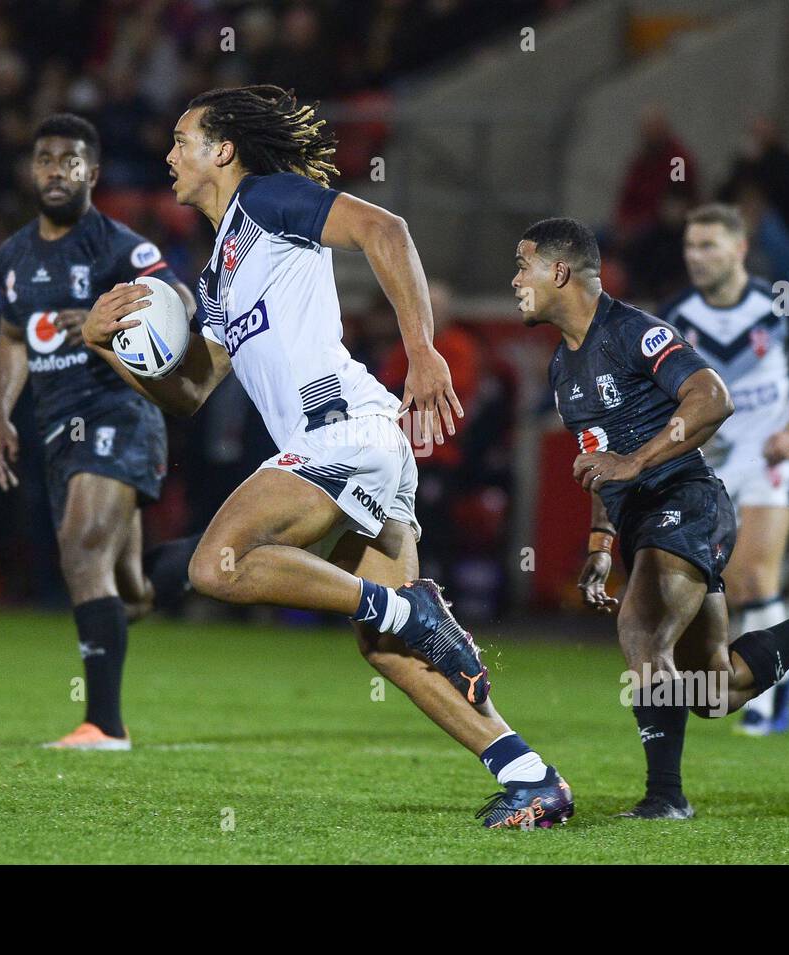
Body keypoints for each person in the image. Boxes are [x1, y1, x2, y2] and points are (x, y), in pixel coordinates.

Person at [83, 85, 571, 829]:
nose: (169, 155)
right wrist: (105, 347)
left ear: (224, 150)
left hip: (341, 431)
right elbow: (187, 393)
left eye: (183, 141)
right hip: (359, 444)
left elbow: (385, 228)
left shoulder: (267, 199)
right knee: (390, 648)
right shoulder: (215, 275)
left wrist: (423, 351)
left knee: (216, 565)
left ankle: (406, 607)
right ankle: (530, 776)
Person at [514, 217, 789, 819]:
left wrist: (635, 462)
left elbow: (713, 397)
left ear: (560, 272)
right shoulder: (563, 367)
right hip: (643, 521)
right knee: (714, 689)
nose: (516, 281)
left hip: (688, 499)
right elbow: (601, 460)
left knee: (643, 630)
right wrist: (600, 539)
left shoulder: (633, 331)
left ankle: (665, 798)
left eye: (524, 267)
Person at [0, 114, 199, 751]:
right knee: (129, 592)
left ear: (93, 172)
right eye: (45, 159)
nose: (56, 170)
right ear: (32, 170)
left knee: (80, 549)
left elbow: (181, 300)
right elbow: (13, 336)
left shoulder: (116, 246)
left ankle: (104, 725)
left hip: (118, 412)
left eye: (70, 160)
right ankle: (225, 552)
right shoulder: (14, 255)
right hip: (57, 427)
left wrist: (109, 317)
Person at [662, 203, 789, 735]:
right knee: (727, 588)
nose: (696, 256)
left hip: (767, 457)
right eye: (690, 246)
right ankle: (779, 666)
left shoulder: (776, 305)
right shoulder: (674, 316)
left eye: (708, 245)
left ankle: (771, 694)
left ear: (739, 249)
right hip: (706, 465)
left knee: (755, 577)